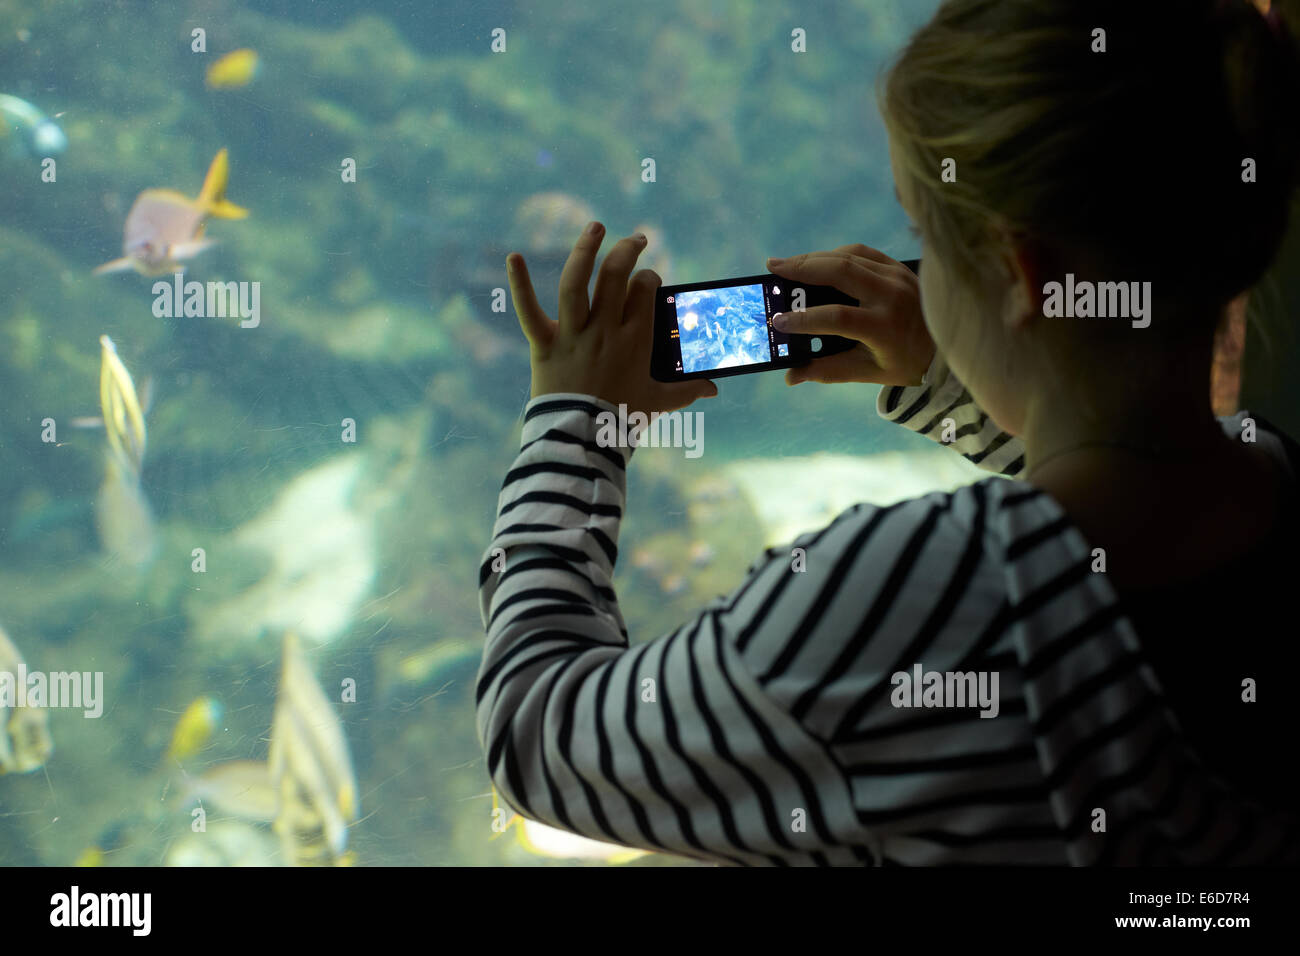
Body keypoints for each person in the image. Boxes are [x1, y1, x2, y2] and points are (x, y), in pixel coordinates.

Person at [476, 0, 1300, 865]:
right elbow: (1121, 500)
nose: (917, 270)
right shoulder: (1270, 477)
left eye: (925, 238)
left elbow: (539, 741)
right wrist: (955, 374)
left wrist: (573, 425)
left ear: (1026, 274)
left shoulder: (907, 597)